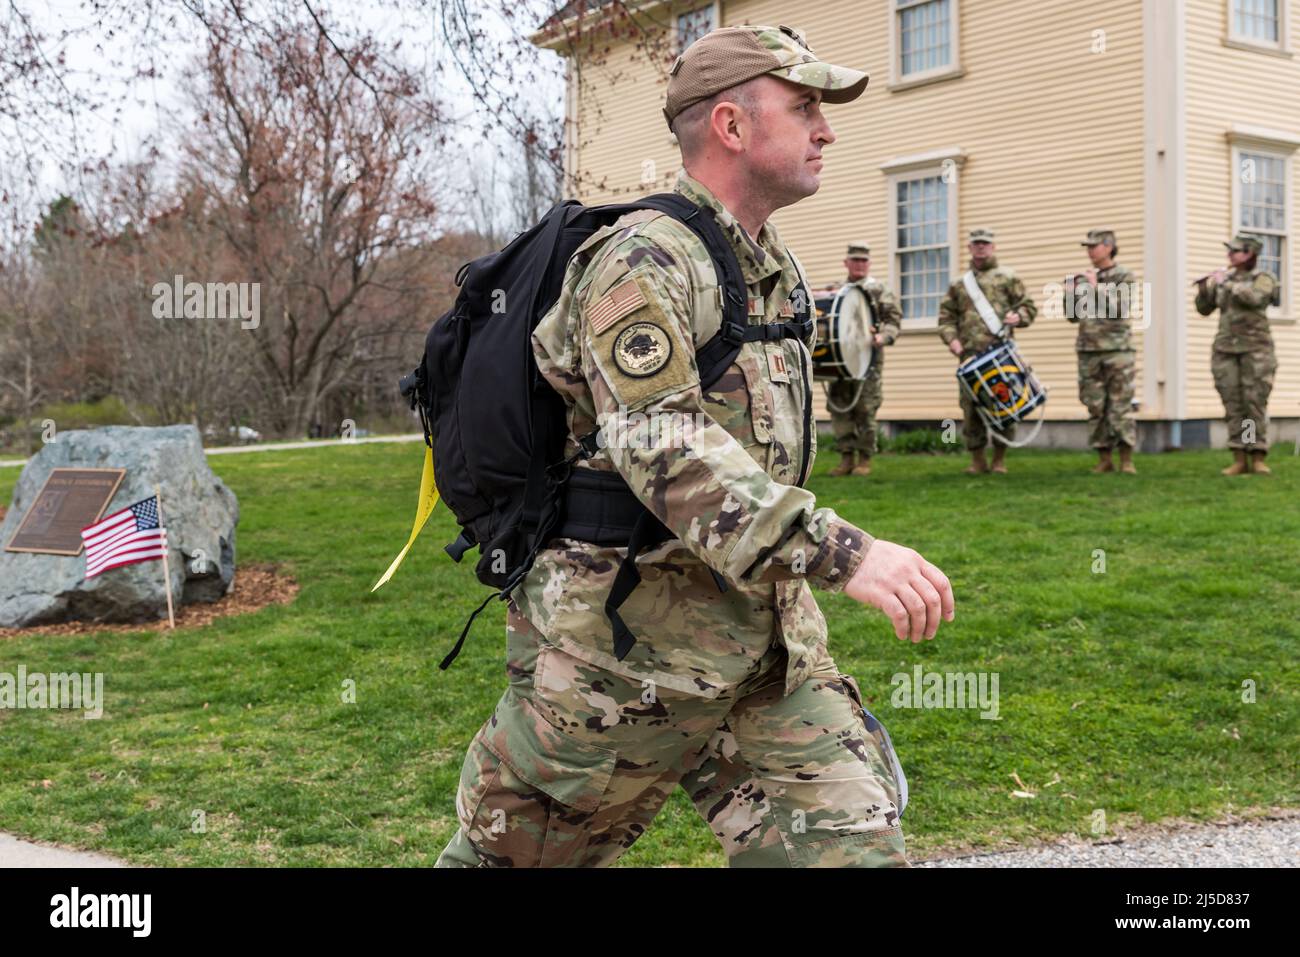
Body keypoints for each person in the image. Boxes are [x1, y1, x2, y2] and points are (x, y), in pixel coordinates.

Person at [435, 24, 954, 869]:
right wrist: (843, 552)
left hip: (766, 658)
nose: (827, 129)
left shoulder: (769, 262)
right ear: (731, 126)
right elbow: (665, 448)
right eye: (805, 107)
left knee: (852, 852)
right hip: (620, 670)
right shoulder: (641, 260)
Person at [937, 229, 1038, 474]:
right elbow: (946, 318)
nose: (981, 248)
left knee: (1004, 404)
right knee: (971, 409)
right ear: (970, 248)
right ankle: (977, 460)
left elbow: (1029, 308)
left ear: (992, 247)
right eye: (976, 244)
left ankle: (999, 460)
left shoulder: (1008, 277)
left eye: (985, 244)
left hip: (1000, 353)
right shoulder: (959, 284)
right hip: (969, 355)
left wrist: (1019, 317)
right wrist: (953, 341)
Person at [1195, 234, 1279, 475]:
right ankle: (1239, 456)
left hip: (1256, 351)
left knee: (1253, 404)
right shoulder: (1225, 280)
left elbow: (1255, 299)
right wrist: (1204, 289)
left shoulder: (1263, 278)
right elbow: (1204, 309)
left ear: (1249, 254)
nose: (1230, 255)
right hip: (1226, 351)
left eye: (1235, 251)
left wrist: (1227, 284)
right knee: (1233, 405)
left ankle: (1257, 455)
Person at [1062, 228, 1138, 473]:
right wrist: (1070, 295)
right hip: (1088, 350)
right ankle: (1104, 458)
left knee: (1120, 405)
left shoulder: (1124, 275)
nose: (1090, 251)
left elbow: (1120, 309)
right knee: (1095, 406)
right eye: (1088, 247)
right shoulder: (1082, 278)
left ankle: (1126, 459)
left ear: (1108, 247)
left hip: (1117, 350)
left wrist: (1096, 287)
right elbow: (1073, 317)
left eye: (1094, 246)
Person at [827, 241, 902, 477]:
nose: (859, 264)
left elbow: (893, 320)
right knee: (840, 408)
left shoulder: (879, 290)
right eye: (855, 260)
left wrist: (884, 337)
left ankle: (865, 459)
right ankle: (846, 458)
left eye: (863, 260)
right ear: (846, 263)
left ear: (869, 263)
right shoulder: (836, 290)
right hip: (839, 359)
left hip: (868, 359)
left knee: (866, 408)